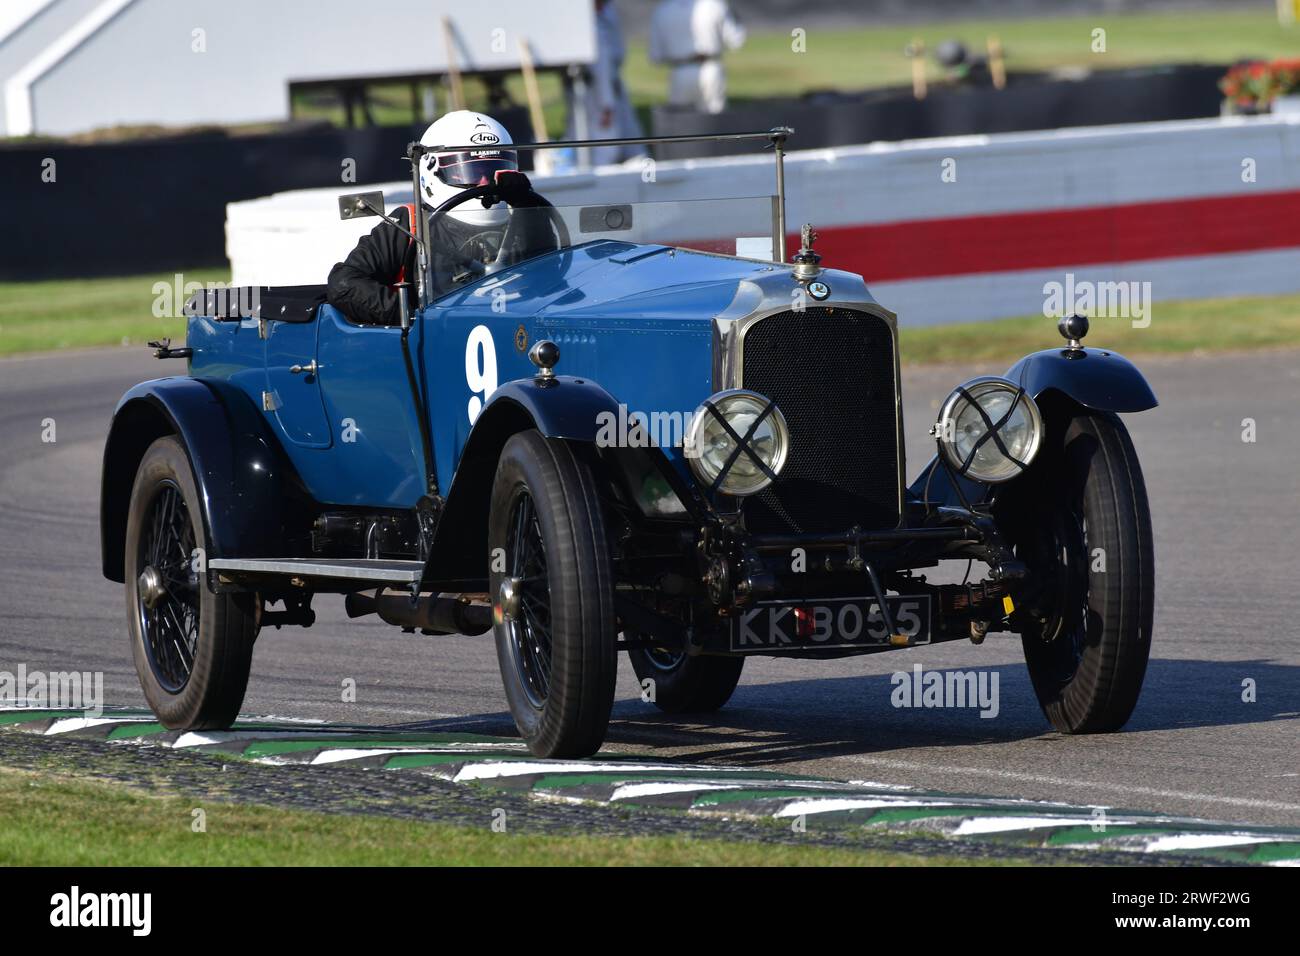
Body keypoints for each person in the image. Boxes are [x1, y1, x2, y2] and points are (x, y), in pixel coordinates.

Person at [328, 111, 553, 324]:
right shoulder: (412, 222)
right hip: (439, 341)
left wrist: (528, 206)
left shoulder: (522, 216)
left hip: (515, 330)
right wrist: (415, 316)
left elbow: (553, 277)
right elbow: (344, 283)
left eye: (495, 169)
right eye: (471, 171)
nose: (486, 182)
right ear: (433, 168)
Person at [648, 0, 746, 114]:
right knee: (715, 121)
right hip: (710, 68)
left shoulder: (662, 10)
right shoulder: (715, 5)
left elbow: (656, 56)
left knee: (681, 121)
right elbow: (736, 40)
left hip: (679, 71)